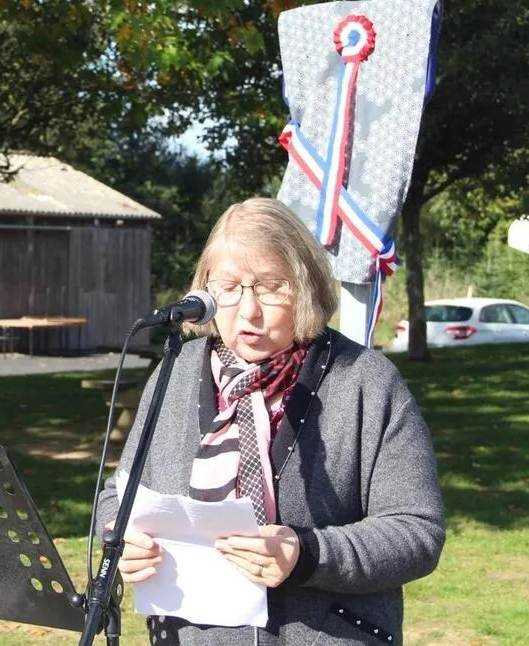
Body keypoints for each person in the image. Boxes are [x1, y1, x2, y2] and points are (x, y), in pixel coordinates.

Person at [97, 198, 445, 645]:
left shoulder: (364, 381)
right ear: (203, 293)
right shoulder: (175, 371)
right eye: (229, 286)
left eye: (270, 287)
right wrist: (121, 538)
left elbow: (417, 530)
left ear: (307, 288)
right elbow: (118, 494)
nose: (248, 310)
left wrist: (309, 553)